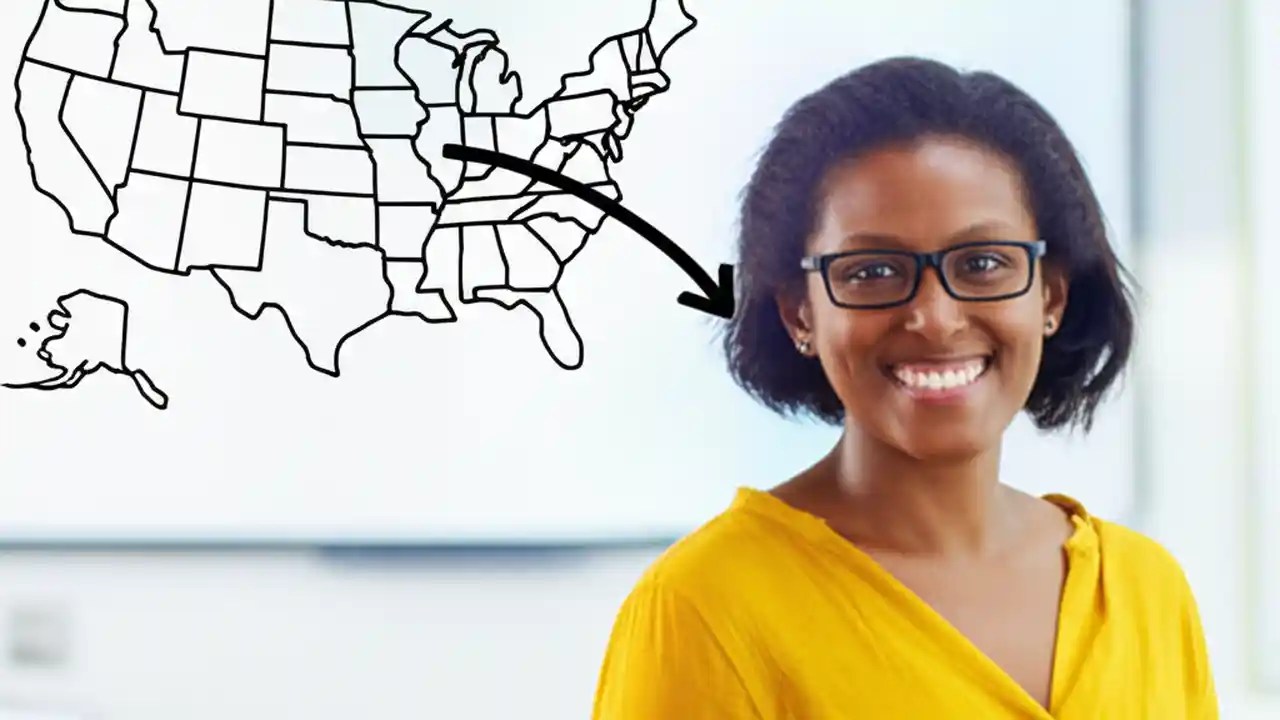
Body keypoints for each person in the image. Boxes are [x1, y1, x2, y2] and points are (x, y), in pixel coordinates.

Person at [590, 56, 1218, 718]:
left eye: (982, 263)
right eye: (872, 271)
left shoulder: (1145, 590)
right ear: (799, 311)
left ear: (1050, 295)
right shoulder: (706, 608)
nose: (935, 318)